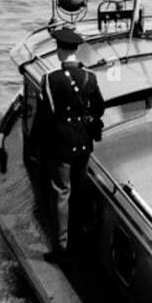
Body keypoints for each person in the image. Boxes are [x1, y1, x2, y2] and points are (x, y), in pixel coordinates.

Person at [29, 27, 105, 260]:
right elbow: (99, 108)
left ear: (61, 50)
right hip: (84, 144)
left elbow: (44, 116)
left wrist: (34, 146)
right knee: (79, 190)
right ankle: (81, 240)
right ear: (76, 50)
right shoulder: (90, 77)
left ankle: (61, 248)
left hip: (60, 146)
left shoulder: (51, 80)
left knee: (61, 193)